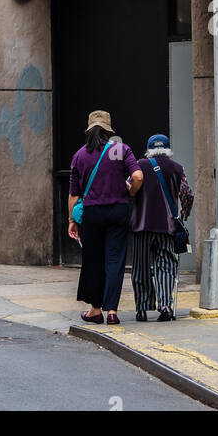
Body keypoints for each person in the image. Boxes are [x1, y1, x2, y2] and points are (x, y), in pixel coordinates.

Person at [68, 110, 143, 326]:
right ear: (108, 132)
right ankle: (112, 311)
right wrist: (131, 192)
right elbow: (138, 176)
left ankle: (95, 310)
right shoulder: (121, 150)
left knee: (93, 261)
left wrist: (72, 221)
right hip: (118, 212)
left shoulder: (80, 155)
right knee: (114, 261)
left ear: (89, 130)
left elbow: (74, 194)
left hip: (92, 214)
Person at [130, 132, 194, 321]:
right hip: (167, 227)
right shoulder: (177, 168)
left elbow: (129, 187)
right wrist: (184, 214)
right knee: (166, 266)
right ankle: (165, 306)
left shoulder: (139, 166)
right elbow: (187, 195)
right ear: (168, 149)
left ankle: (141, 309)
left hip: (143, 225)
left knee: (140, 267)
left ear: (149, 150)